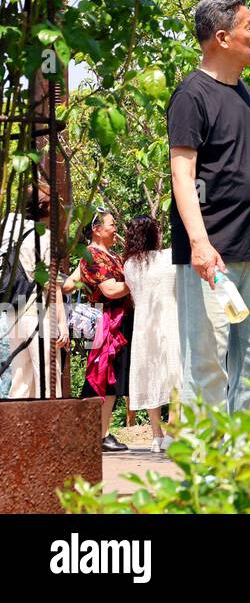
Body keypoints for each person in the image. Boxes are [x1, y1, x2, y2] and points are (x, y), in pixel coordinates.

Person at [168, 0, 250, 414]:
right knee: (207, 369)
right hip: (209, 259)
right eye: (249, 27)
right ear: (222, 38)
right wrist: (199, 241)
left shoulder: (243, 92)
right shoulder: (191, 94)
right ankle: (207, 475)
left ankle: (245, 473)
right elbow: (183, 172)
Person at [66, 209, 132, 451]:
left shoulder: (109, 255)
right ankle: (98, 433)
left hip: (117, 321)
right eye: (112, 225)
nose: (115, 229)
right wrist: (138, 281)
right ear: (96, 229)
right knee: (101, 375)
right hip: (106, 322)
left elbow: (70, 283)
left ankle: (95, 431)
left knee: (109, 377)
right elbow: (111, 291)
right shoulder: (93, 256)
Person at [120, 215, 181, 454]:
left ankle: (156, 435)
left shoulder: (129, 265)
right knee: (176, 374)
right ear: (154, 234)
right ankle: (173, 431)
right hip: (170, 320)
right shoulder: (168, 257)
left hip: (144, 327)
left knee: (150, 375)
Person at [0, 180, 67, 399]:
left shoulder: (8, 225)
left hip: (13, 309)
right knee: (47, 378)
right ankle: (48, 431)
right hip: (37, 310)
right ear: (44, 206)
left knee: (21, 378)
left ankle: (15, 430)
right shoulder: (42, 238)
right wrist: (63, 324)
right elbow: (51, 284)